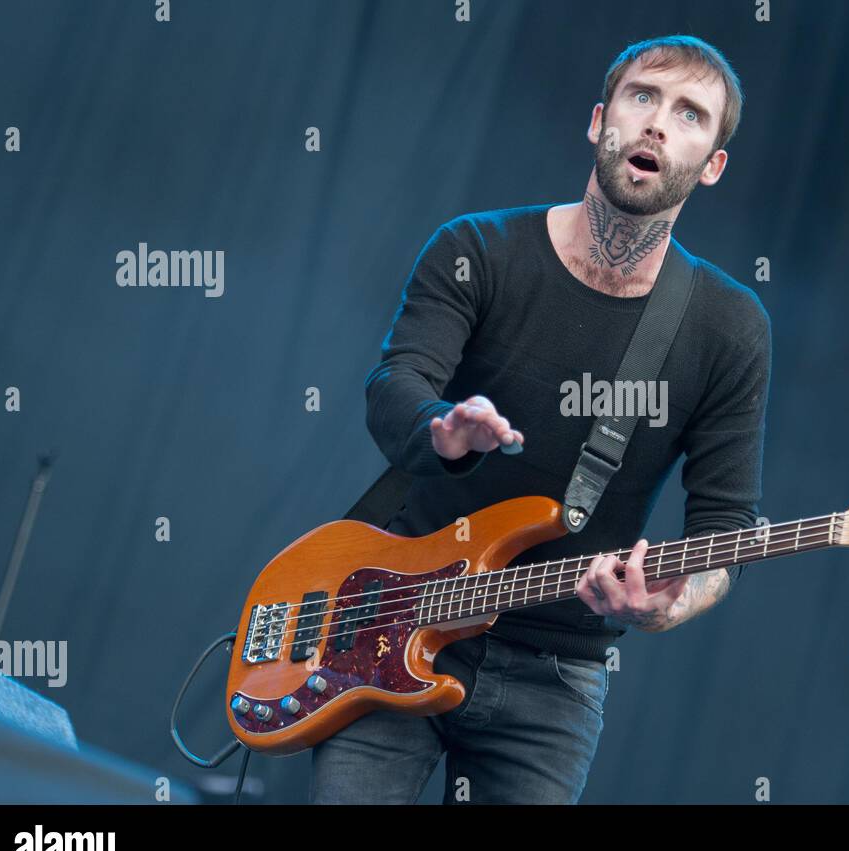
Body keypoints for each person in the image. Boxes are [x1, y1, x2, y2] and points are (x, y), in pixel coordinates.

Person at [310, 34, 771, 804]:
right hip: (394, 614)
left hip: (555, 680)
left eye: (691, 114)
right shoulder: (478, 249)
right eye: (643, 97)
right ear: (600, 121)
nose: (659, 123)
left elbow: (726, 527)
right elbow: (396, 382)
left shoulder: (728, 327)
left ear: (712, 164)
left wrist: (668, 601)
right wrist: (444, 429)